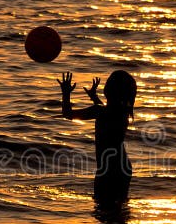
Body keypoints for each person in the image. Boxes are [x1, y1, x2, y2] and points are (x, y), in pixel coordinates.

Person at [58, 70, 137, 206]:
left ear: (109, 89)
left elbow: (67, 113)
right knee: (119, 210)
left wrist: (66, 93)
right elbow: (106, 111)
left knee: (103, 210)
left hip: (108, 169)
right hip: (123, 167)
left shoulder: (100, 111)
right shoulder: (122, 112)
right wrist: (94, 96)